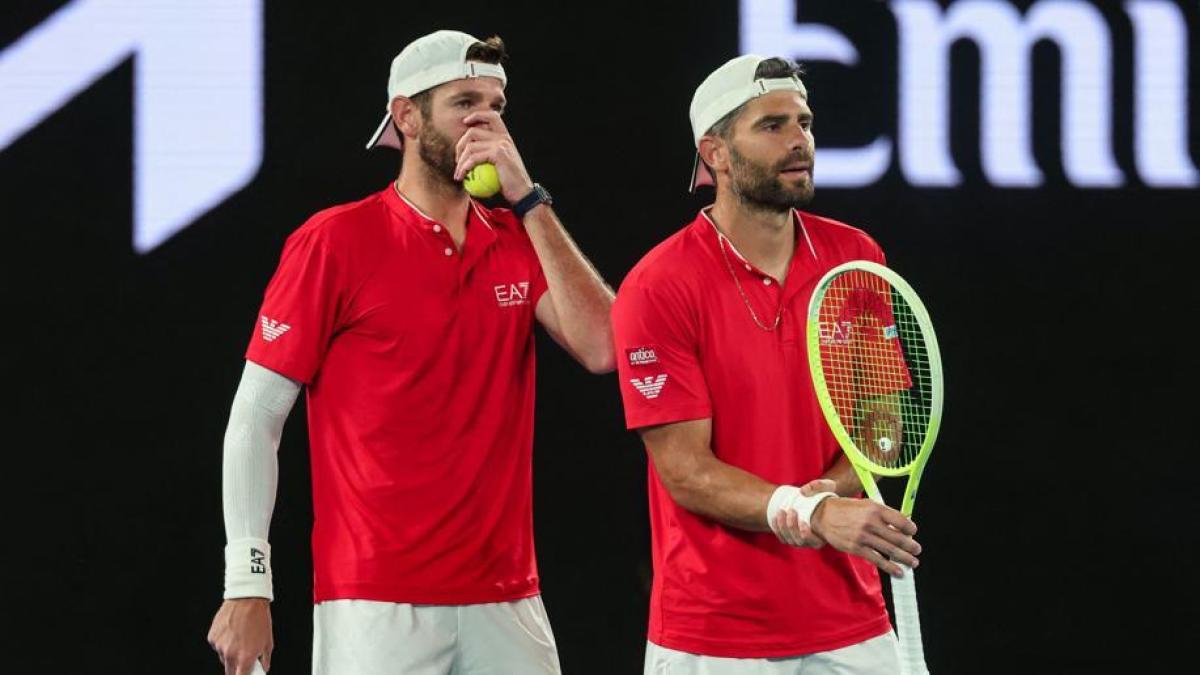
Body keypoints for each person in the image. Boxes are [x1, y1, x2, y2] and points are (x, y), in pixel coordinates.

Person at [206, 29, 615, 675]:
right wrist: (247, 581)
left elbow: (607, 347)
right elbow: (256, 416)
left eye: (496, 106)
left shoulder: (515, 236)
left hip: (509, 597)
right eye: (464, 102)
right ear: (407, 116)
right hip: (374, 602)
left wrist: (530, 200)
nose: (486, 122)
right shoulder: (335, 240)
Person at [611, 54, 923, 674]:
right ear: (716, 154)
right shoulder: (657, 285)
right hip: (713, 638)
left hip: (850, 624)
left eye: (804, 123)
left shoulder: (856, 256)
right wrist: (812, 513)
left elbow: (882, 417)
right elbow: (686, 473)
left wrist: (831, 495)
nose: (800, 141)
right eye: (773, 125)